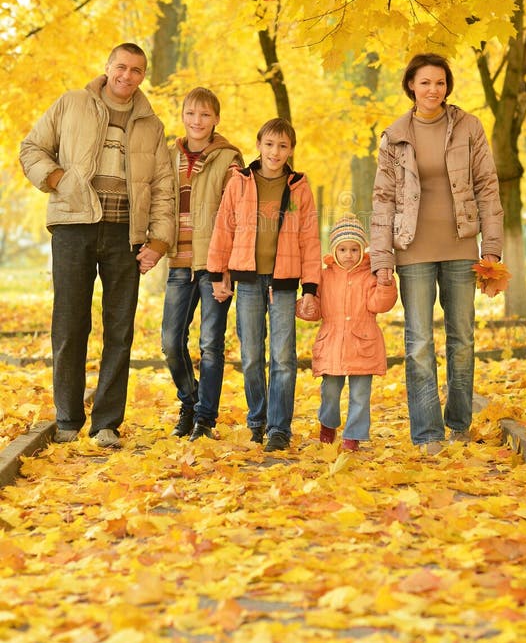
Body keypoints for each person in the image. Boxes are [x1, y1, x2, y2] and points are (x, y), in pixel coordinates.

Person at [19, 43, 175, 449]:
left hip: (126, 234)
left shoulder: (151, 124)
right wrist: (56, 180)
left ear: (144, 75)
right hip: (74, 226)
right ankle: (68, 417)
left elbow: (163, 187)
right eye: (121, 67)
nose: (127, 75)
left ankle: (107, 422)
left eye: (136, 70)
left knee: (120, 329)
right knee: (70, 324)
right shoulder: (72, 103)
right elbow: (32, 148)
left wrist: (158, 240)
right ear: (107, 67)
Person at [370, 53, 503, 454]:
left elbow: (487, 186)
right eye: (425, 82)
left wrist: (492, 247)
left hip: (461, 246)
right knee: (419, 343)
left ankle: (459, 423)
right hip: (412, 250)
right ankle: (427, 433)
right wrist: (381, 259)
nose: (433, 90)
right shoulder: (394, 136)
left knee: (462, 338)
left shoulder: (468, 127)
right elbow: (382, 199)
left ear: (448, 86)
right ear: (411, 85)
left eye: (440, 83)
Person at [208, 118, 321, 452]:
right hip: (247, 280)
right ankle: (257, 421)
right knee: (252, 354)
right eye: (270, 144)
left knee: (284, 357)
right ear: (258, 145)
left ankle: (279, 428)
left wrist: (311, 286)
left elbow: (310, 237)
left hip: (284, 282)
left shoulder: (299, 187)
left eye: (283, 146)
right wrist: (217, 272)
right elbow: (223, 228)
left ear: (291, 151)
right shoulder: (240, 182)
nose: (275, 152)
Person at [161, 87, 244, 441]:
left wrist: (226, 268)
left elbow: (239, 215)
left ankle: (204, 419)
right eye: (192, 113)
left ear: (216, 120)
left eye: (205, 115)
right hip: (179, 261)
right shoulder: (168, 157)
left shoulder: (230, 159)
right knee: (170, 341)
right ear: (183, 116)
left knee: (211, 342)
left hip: (214, 264)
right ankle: (189, 401)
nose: (198, 121)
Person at [297, 214, 397, 452]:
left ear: (362, 250)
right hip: (332, 344)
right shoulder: (324, 276)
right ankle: (328, 424)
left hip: (363, 344)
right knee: (330, 391)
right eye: (343, 249)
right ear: (335, 250)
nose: (349, 254)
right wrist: (303, 307)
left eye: (354, 249)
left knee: (360, 395)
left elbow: (378, 305)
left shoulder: (369, 275)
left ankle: (353, 435)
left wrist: (385, 285)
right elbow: (316, 309)